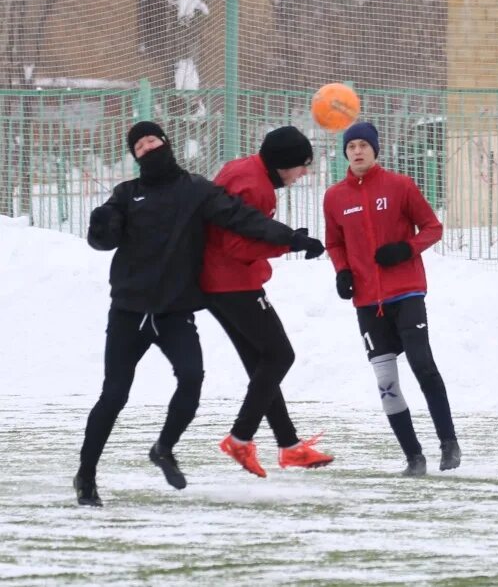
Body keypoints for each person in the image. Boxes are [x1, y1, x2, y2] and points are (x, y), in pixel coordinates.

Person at [76, 121, 323, 506]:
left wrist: (290, 238)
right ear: (134, 155)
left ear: (167, 143)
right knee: (114, 396)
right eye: (139, 145)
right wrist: (100, 230)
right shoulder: (126, 194)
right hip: (128, 312)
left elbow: (243, 219)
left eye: (152, 139)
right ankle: (86, 477)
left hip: (174, 312)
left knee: (193, 380)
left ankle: (166, 447)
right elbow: (102, 238)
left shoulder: (196, 190)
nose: (147, 146)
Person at [323, 121, 460, 476]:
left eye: (363, 145)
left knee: (422, 364)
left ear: (375, 149)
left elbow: (433, 227)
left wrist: (406, 249)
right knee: (386, 382)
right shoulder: (335, 197)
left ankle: (448, 442)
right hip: (368, 303)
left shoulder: (400, 186)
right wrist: (342, 271)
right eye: (351, 146)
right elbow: (335, 242)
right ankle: (413, 457)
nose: (357, 151)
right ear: (345, 153)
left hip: (407, 292)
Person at [201, 126, 334, 477]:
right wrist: (289, 243)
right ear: (284, 163)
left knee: (263, 365)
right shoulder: (256, 187)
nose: (304, 172)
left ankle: (289, 447)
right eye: (302, 165)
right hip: (233, 282)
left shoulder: (242, 168)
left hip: (217, 282)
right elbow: (238, 246)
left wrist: (287, 239)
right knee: (280, 356)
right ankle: (240, 438)